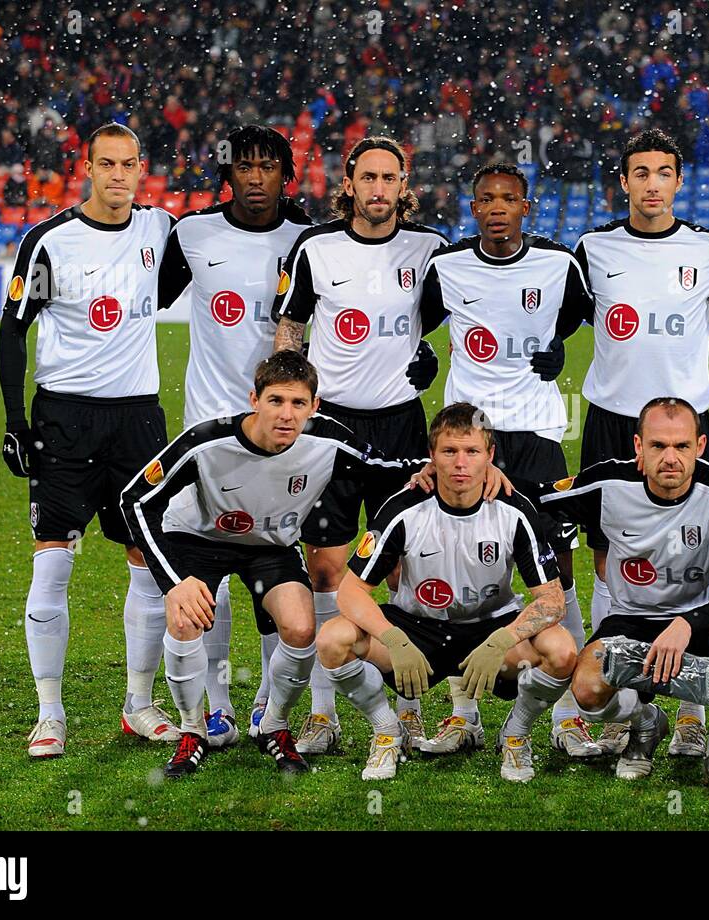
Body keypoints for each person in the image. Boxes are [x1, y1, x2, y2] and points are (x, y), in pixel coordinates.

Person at [120, 351, 435, 776]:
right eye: (276, 401)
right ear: (254, 399)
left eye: (298, 403)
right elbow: (135, 499)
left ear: (314, 407)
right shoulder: (206, 442)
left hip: (269, 547)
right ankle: (192, 732)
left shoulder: (328, 441)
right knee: (185, 619)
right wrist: (174, 582)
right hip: (198, 540)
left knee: (302, 627)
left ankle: (274, 726)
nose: (287, 415)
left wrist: (445, 469)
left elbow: (387, 468)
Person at [0, 123, 178, 758]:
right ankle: (50, 713)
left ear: (141, 168)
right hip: (65, 420)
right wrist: (16, 423)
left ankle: (139, 703)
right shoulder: (50, 244)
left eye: (130, 164)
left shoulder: (158, 232)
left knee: (147, 563)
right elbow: (14, 331)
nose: (119, 176)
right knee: (54, 556)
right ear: (87, 168)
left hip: (137, 421)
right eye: (107, 164)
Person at [269, 136, 447, 752]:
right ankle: (324, 710)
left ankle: (409, 700)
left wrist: (427, 351)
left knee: (402, 565)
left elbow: (458, 316)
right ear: (348, 183)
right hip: (332, 427)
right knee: (326, 564)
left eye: (388, 178)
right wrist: (290, 410)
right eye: (366, 177)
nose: (377, 189)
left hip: (400, 425)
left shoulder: (429, 250)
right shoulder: (316, 247)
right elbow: (290, 329)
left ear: (405, 184)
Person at [417, 161, 598, 758]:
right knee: (458, 569)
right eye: (486, 200)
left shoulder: (558, 263)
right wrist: (422, 357)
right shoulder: (446, 267)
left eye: (509, 199)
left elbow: (574, 315)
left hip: (539, 434)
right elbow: (411, 325)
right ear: (473, 209)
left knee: (557, 571)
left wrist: (559, 350)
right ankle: (461, 712)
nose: (497, 208)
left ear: (527, 207)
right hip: (471, 436)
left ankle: (567, 715)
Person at [573, 127, 709, 757]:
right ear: (624, 182)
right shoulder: (593, 249)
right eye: (638, 172)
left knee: (705, 552)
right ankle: (625, 696)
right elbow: (562, 317)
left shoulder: (707, 250)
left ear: (677, 180)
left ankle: (694, 703)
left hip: (682, 427)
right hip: (614, 419)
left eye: (662, 172)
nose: (651, 184)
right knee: (607, 550)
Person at [315, 403, 577, 783]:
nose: (460, 463)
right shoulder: (403, 509)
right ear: (431, 455)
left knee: (562, 649)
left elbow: (552, 600)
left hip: (490, 629)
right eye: (449, 451)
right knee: (333, 639)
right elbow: (351, 592)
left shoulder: (515, 511)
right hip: (418, 630)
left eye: (472, 452)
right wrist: (394, 639)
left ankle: (516, 734)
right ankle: (387, 731)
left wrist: (502, 640)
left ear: (490, 456)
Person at [156, 123, 313, 749]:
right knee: (211, 569)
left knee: (274, 565)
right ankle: (215, 703)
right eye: (244, 166)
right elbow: (146, 300)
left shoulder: (307, 240)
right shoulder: (192, 233)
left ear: (285, 174)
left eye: (267, 166)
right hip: (208, 434)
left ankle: (269, 703)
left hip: (282, 433)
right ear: (229, 174)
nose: (255, 177)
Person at [537, 398, 709, 791]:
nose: (670, 458)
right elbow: (535, 502)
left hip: (700, 623)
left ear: (699, 447)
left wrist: (687, 623)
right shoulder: (608, 484)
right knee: (587, 693)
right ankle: (645, 725)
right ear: (638, 447)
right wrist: (482, 475)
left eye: (681, 446)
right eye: (658, 445)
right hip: (630, 621)